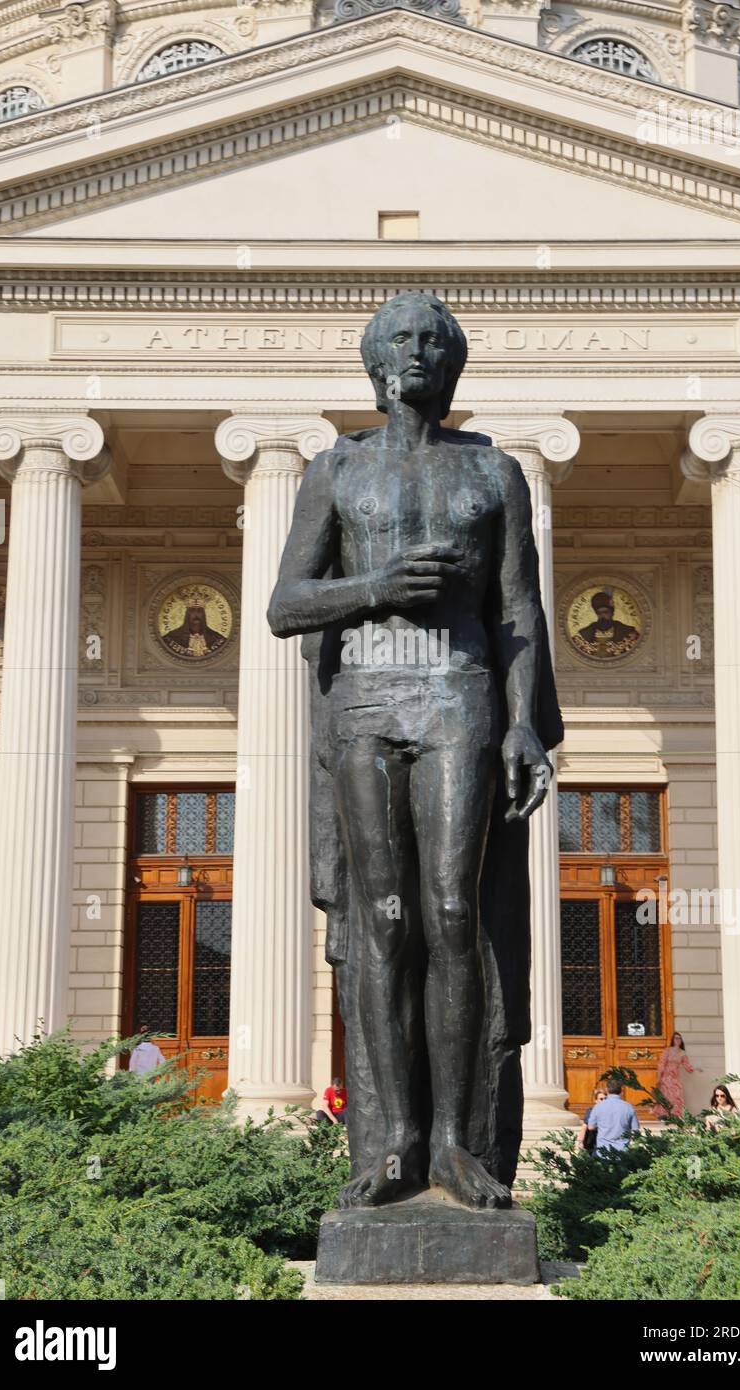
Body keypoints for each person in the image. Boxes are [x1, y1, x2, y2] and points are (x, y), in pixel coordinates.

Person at [268, 291, 560, 1210]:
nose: (421, 351)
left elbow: (518, 610)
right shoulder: (335, 471)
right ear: (375, 359)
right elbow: (285, 606)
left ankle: (456, 1144)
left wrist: (522, 722)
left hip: (459, 698)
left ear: (454, 361)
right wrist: (375, 585)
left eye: (437, 340)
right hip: (365, 703)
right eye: (404, 338)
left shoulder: (494, 474)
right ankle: (390, 1139)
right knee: (381, 921)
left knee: (451, 914)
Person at [652, 1031, 701, 1119]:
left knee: (676, 1096)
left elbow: (687, 1066)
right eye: (676, 1038)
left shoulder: (683, 1053)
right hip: (665, 1078)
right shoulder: (667, 1050)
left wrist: (695, 1069)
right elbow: (661, 1064)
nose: (677, 1040)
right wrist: (659, 1078)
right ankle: (665, 1116)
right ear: (673, 1040)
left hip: (675, 1078)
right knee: (666, 1097)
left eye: (679, 1038)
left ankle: (675, 1116)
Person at [587, 1077, 640, 1154]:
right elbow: (635, 1130)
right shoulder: (628, 1107)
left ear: (607, 1090)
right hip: (622, 1151)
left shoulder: (598, 1106)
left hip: (603, 1151)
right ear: (621, 1091)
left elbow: (591, 1127)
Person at [578, 1083, 607, 1154]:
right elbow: (585, 1126)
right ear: (596, 1100)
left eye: (605, 1099)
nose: (603, 1101)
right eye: (601, 1099)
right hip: (593, 1142)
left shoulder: (611, 1111)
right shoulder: (591, 1111)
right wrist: (580, 1142)